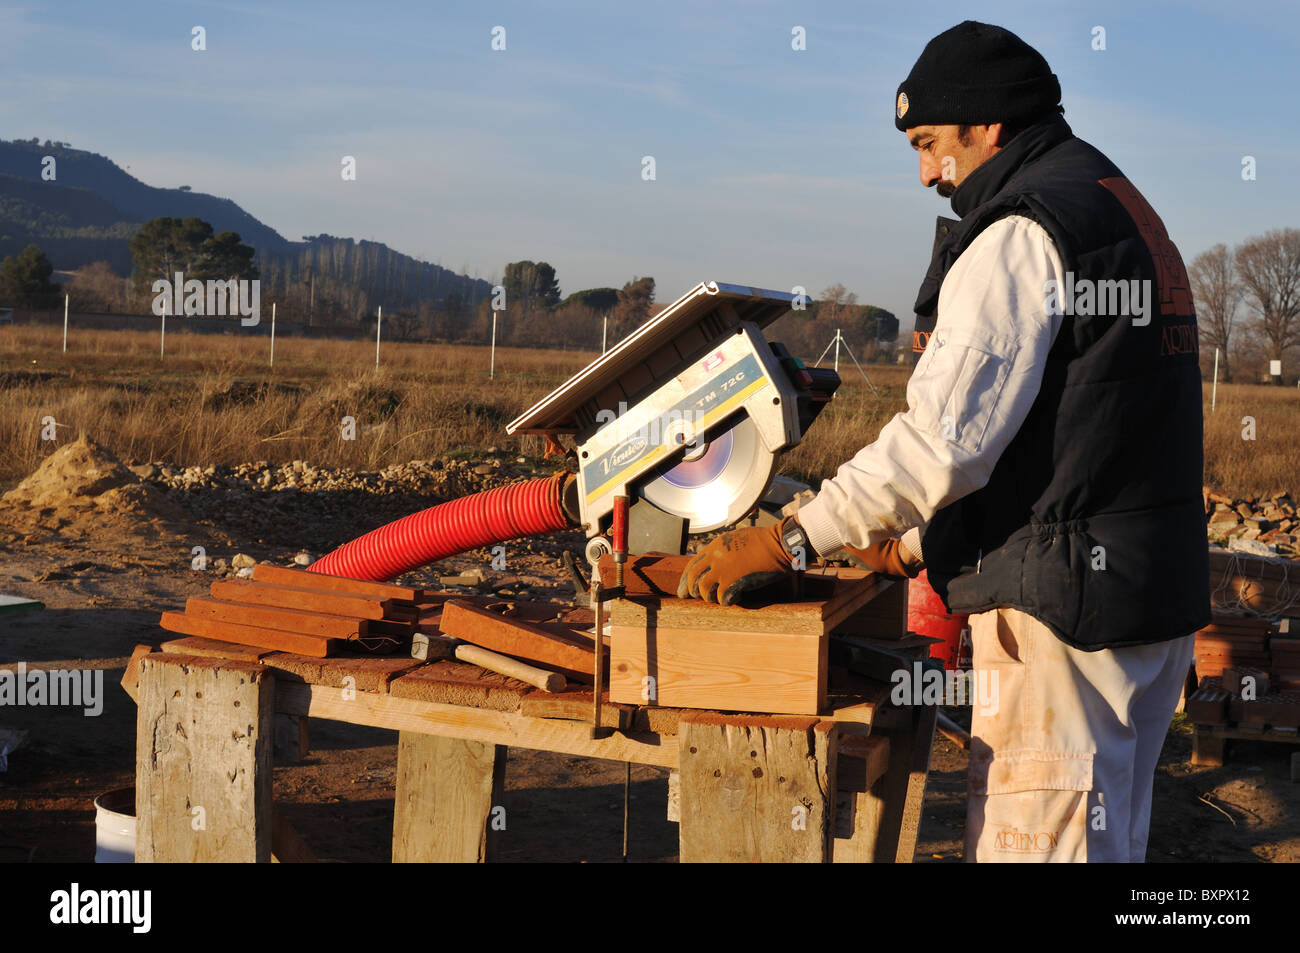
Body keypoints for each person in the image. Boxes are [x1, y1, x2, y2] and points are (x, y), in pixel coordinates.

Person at [677, 20, 1209, 862]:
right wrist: (917, 544)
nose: (925, 171)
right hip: (1144, 601)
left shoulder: (1019, 233)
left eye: (929, 142)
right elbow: (1080, 434)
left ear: (986, 125)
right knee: (1111, 845)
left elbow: (944, 442)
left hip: (1061, 623)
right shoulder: (1114, 201)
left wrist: (792, 537)